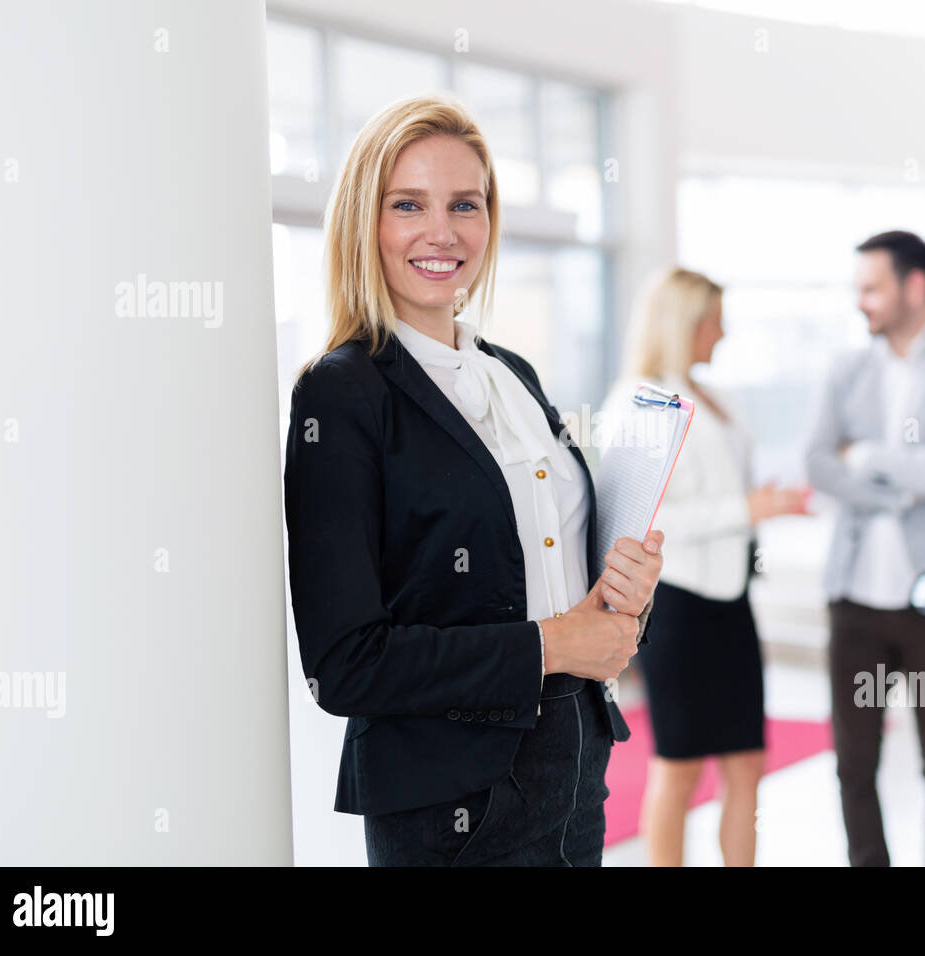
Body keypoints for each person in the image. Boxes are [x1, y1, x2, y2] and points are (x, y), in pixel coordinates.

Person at [283, 94, 665, 867]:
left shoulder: (510, 374)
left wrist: (624, 593)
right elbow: (345, 664)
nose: (442, 232)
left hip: (577, 763)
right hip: (452, 802)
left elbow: (549, 574)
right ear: (366, 221)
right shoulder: (342, 393)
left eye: (466, 203)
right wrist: (553, 645)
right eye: (407, 205)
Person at [601, 267, 809, 866]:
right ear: (684, 324)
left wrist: (756, 500)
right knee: (681, 766)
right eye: (715, 320)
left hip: (730, 600)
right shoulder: (640, 400)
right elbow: (644, 518)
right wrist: (747, 508)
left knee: (748, 760)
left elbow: (719, 488)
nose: (724, 332)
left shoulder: (711, 395)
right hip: (679, 606)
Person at [804, 230, 925, 867]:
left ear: (915, 287)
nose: (861, 301)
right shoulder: (845, 369)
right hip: (856, 602)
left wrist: (863, 455)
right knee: (854, 765)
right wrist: (902, 484)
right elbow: (816, 464)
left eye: (872, 288)